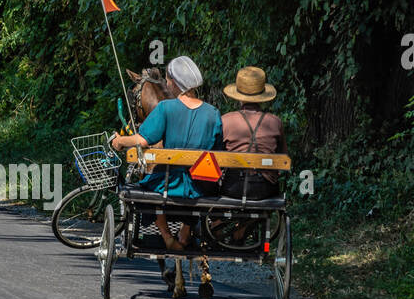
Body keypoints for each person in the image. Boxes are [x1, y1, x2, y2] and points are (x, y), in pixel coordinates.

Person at [111, 55, 221, 250]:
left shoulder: (165, 108)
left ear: (174, 83)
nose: (167, 83)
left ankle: (167, 237)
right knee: (204, 179)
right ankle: (186, 231)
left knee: (145, 186)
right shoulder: (213, 113)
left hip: (169, 184)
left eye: (168, 79)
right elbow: (217, 150)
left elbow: (143, 140)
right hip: (202, 185)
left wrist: (120, 141)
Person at [218, 66, 286, 240]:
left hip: (232, 187)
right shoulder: (275, 122)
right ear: (262, 97)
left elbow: (216, 155)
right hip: (264, 189)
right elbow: (282, 158)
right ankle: (246, 227)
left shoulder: (225, 120)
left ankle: (220, 225)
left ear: (238, 97)